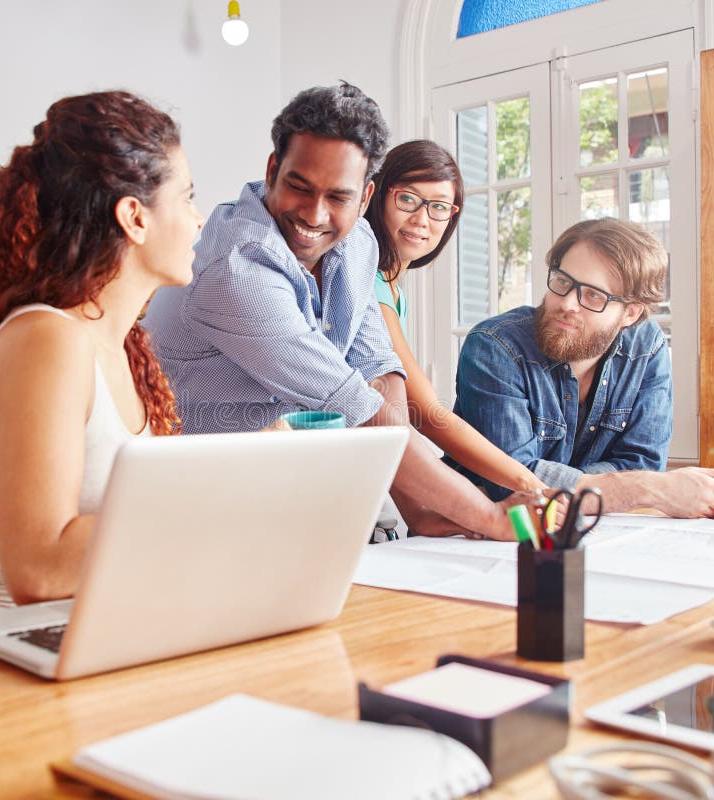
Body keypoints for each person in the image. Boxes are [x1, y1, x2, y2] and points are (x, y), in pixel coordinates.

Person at [145, 82, 528, 540]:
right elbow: (357, 408)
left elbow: (380, 373)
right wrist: (490, 518)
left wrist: (417, 510)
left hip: (295, 505)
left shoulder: (358, 243)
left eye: (339, 197)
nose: (314, 214)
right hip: (196, 511)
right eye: (299, 187)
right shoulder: (237, 270)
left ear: (365, 198)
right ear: (273, 170)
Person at [0, 91, 204, 611]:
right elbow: (39, 570)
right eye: (186, 197)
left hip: (95, 634)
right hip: (4, 671)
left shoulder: (124, 347)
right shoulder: (47, 340)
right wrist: (216, 511)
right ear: (135, 217)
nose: (198, 219)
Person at [452, 217, 714, 517]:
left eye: (594, 295)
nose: (567, 303)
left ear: (630, 313)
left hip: (596, 532)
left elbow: (642, 463)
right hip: (476, 539)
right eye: (563, 282)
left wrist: (572, 485)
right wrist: (640, 489)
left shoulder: (646, 346)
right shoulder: (495, 346)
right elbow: (515, 485)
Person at [365, 140, 545, 494]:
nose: (421, 219)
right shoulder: (367, 280)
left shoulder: (393, 288)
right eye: (407, 199)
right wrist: (529, 482)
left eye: (438, 207)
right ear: (379, 194)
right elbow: (422, 409)